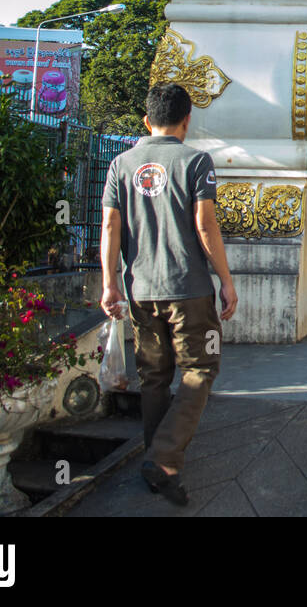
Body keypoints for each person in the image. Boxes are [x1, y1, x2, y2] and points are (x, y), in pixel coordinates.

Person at [100, 82, 238, 507]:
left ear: (147, 120)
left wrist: (109, 283)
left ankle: (157, 460)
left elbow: (109, 227)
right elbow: (205, 225)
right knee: (201, 369)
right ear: (186, 120)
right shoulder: (196, 161)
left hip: (140, 291)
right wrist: (226, 280)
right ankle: (163, 458)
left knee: (154, 377)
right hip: (190, 290)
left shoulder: (121, 164)